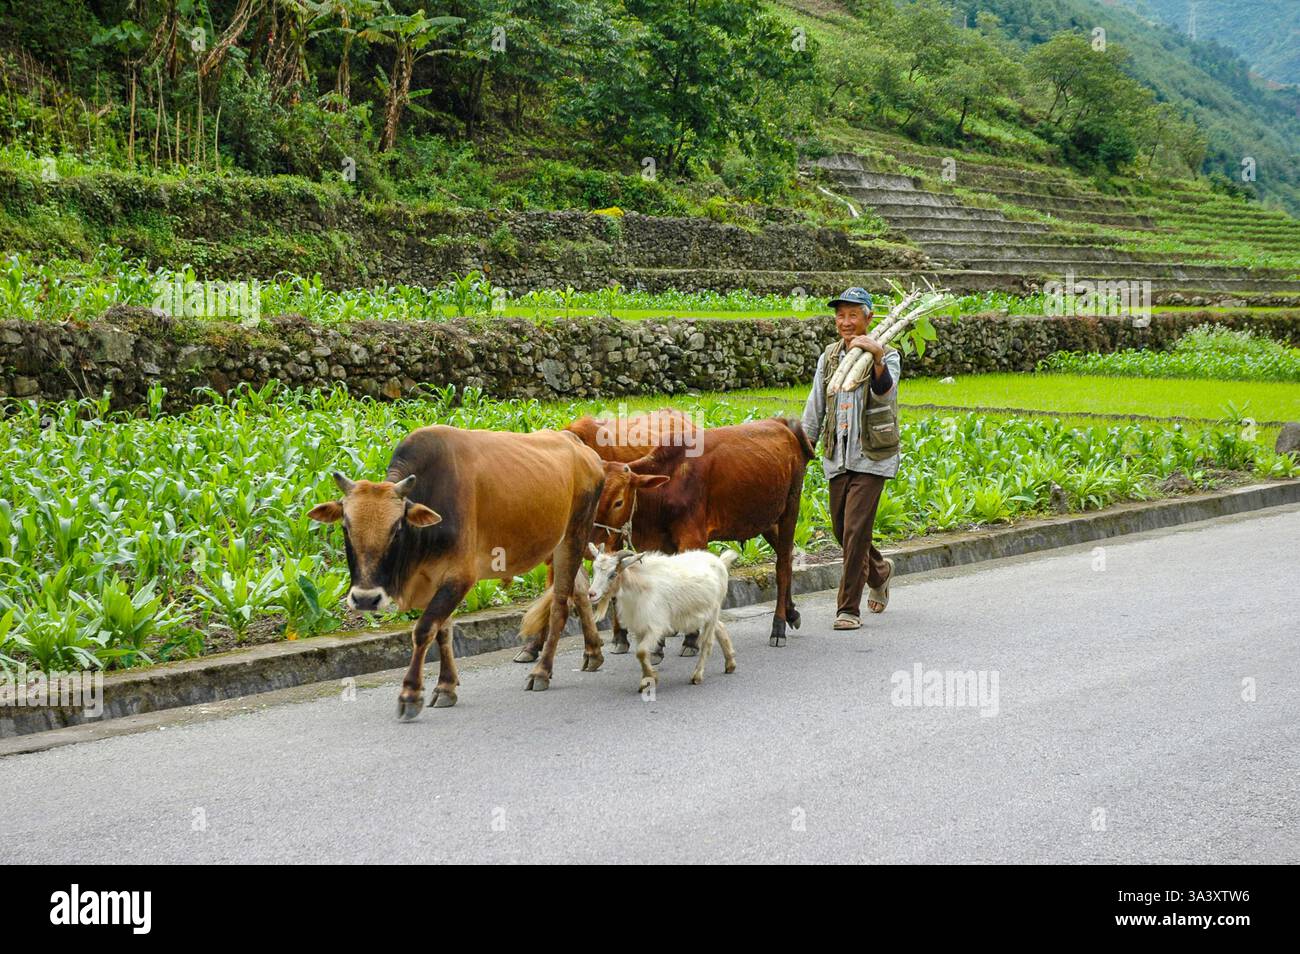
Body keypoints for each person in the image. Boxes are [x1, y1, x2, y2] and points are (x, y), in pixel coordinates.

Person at [800, 287, 901, 631]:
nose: (845, 322)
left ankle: (848, 609)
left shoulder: (888, 353)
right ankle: (880, 571)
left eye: (853, 315)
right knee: (842, 529)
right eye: (840, 315)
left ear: (868, 318)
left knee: (856, 530)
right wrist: (804, 442)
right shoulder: (829, 355)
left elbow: (885, 391)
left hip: (872, 454)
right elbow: (816, 401)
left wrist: (875, 358)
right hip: (837, 454)